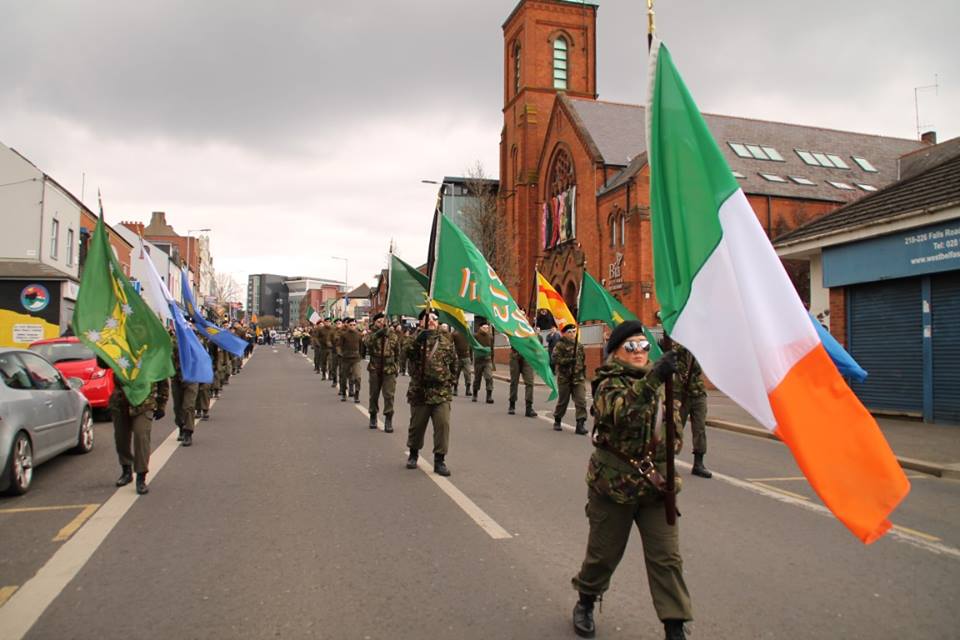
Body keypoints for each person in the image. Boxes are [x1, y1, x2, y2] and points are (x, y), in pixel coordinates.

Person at [570, 321, 691, 640]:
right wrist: (654, 378)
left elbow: (675, 432)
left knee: (667, 559)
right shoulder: (607, 383)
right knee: (603, 555)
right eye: (631, 346)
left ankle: (675, 625)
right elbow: (621, 414)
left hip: (656, 488)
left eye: (644, 345)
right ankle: (586, 599)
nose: (639, 352)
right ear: (616, 352)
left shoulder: (663, 383)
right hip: (614, 487)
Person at [104, 356, 169, 495]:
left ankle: (141, 476)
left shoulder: (151, 350)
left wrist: (162, 403)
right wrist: (99, 348)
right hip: (121, 401)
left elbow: (162, 377)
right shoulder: (120, 348)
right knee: (121, 439)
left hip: (144, 403)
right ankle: (126, 469)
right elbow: (103, 363)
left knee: (141, 437)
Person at [405, 310, 458, 476]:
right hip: (420, 391)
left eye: (435, 319)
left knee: (443, 425)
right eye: (428, 319)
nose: (432, 321)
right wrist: (417, 340)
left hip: (441, 392)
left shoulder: (445, 341)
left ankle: (439, 460)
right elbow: (406, 352)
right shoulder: (413, 339)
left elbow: (454, 363)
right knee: (417, 426)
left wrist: (450, 381)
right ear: (421, 322)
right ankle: (413, 454)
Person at [674, 343, 711, 479]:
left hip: (698, 392)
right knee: (676, 428)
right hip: (681, 393)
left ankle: (698, 463)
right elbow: (675, 365)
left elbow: (701, 368)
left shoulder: (699, 348)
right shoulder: (678, 347)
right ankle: (667, 462)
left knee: (700, 429)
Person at [364, 313, 401, 432]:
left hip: (389, 368)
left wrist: (397, 366)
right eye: (379, 321)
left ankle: (388, 419)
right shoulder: (371, 334)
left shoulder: (393, 335)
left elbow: (397, 352)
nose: (382, 323)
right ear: (374, 322)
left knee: (389, 395)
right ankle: (373, 415)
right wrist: (378, 334)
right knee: (374, 394)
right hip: (375, 367)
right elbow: (366, 343)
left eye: (384, 321)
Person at [552, 324, 588, 434]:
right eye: (569, 332)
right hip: (565, 377)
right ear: (564, 334)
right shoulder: (560, 345)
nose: (572, 334)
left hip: (578, 377)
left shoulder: (579, 346)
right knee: (563, 401)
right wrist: (568, 360)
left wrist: (582, 373)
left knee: (581, 401)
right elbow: (555, 359)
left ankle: (580, 424)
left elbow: (582, 360)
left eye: (573, 331)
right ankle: (557, 419)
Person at [169, 330, 200, 448]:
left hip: (191, 378)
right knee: (177, 407)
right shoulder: (172, 342)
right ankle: (181, 427)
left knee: (188, 406)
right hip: (176, 378)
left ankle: (188, 432)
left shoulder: (195, 342)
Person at [339, 317, 362, 402]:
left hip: (356, 359)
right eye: (351, 325)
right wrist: (341, 353)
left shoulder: (359, 334)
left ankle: (357, 394)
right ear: (348, 325)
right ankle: (344, 393)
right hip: (346, 358)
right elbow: (339, 345)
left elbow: (361, 346)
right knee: (344, 377)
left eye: (354, 325)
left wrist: (360, 355)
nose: (352, 326)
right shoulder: (344, 335)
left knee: (358, 377)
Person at [508, 346, 536, 417]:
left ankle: (529, 408)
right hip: (515, 354)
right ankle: (512, 405)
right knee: (514, 382)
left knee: (530, 382)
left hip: (527, 355)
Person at [472, 321, 495, 403]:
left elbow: (492, 349)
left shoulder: (490, 337)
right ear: (480, 328)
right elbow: (472, 347)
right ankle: (475, 394)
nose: (486, 329)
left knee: (489, 377)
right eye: (484, 328)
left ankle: (489, 396)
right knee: (477, 378)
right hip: (478, 360)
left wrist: (493, 362)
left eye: (487, 328)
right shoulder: (475, 336)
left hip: (487, 360)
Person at [450, 327, 472, 397]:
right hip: (457, 357)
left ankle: (468, 389)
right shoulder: (454, 333)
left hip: (466, 356)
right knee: (456, 374)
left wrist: (471, 356)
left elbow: (471, 345)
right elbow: (450, 344)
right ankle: (455, 389)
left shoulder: (467, 333)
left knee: (468, 373)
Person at [329, 319, 343, 388]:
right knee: (333, 368)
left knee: (341, 369)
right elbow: (329, 340)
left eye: (339, 323)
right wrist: (330, 345)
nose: (338, 324)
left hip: (342, 353)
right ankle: (334, 381)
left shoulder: (345, 331)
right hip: (334, 352)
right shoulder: (332, 332)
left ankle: (341, 383)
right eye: (337, 323)